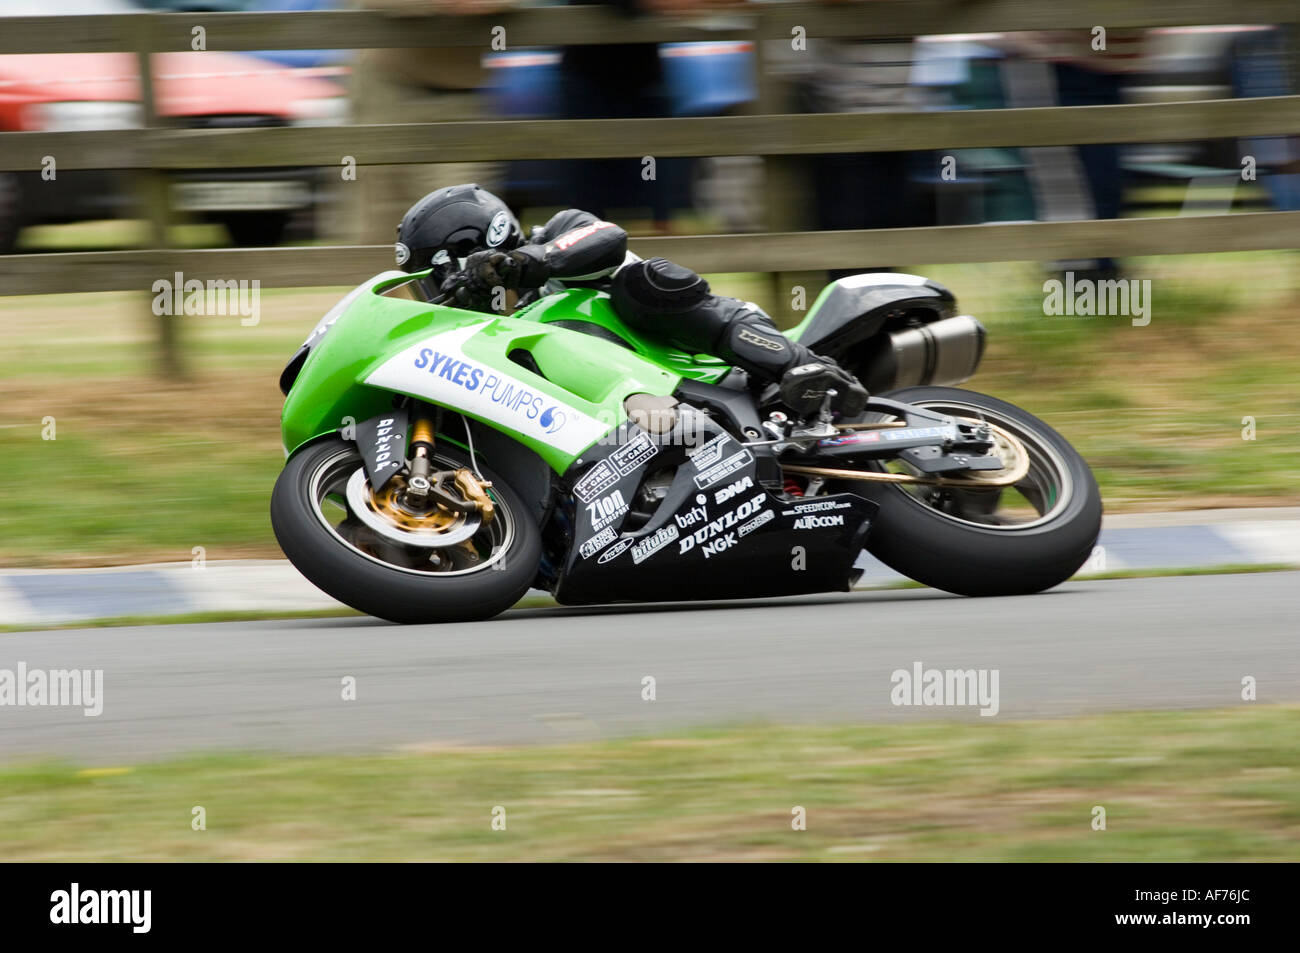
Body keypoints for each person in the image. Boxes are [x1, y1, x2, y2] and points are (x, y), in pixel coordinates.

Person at [394, 184, 868, 419]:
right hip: (643, 412)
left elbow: (608, 239)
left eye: (443, 277)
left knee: (642, 284)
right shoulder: (505, 329)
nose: (444, 293)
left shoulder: (560, 230)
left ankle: (801, 369)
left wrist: (520, 264)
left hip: (706, 361)